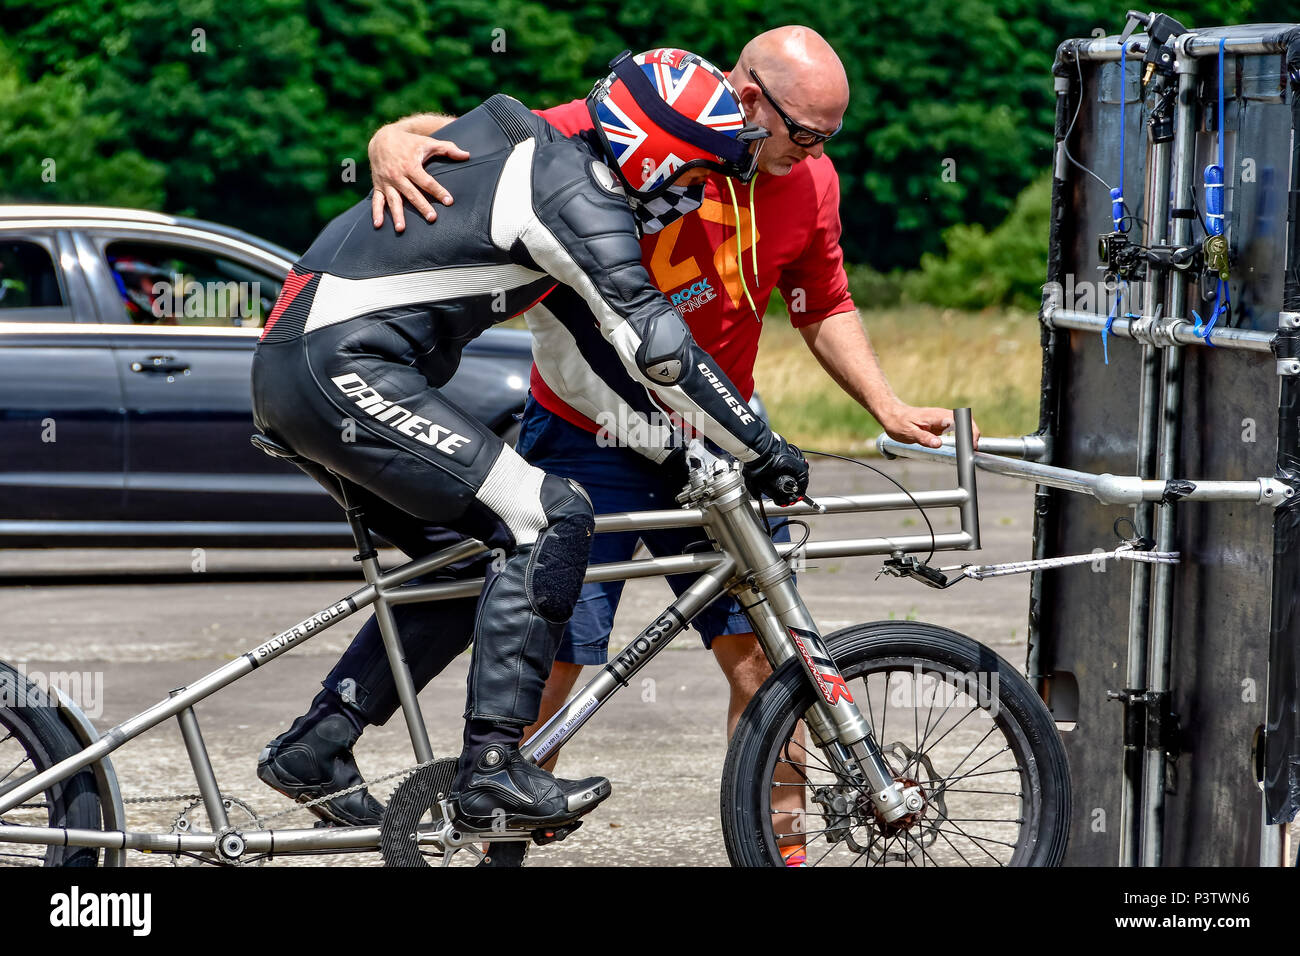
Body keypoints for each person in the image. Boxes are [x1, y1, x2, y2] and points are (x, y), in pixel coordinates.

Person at [362, 26, 980, 863]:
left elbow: (823, 301)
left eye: (831, 139)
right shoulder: (657, 123)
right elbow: (519, 133)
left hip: (715, 442)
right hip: (588, 432)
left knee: (771, 668)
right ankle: (495, 847)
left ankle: (779, 855)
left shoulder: (809, 180)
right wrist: (390, 137)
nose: (816, 155)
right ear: (752, 98)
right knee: (551, 665)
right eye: (807, 135)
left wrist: (887, 401)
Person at [252, 47, 808, 833]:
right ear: (657, 155)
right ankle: (492, 771)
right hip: (339, 369)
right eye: (696, 177)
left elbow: (601, 361)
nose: (696, 196)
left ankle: (320, 742)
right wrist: (762, 446)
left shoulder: (551, 172)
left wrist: (689, 453)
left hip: (307, 366)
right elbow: (662, 348)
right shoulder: (574, 193)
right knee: (550, 516)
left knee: (479, 555)